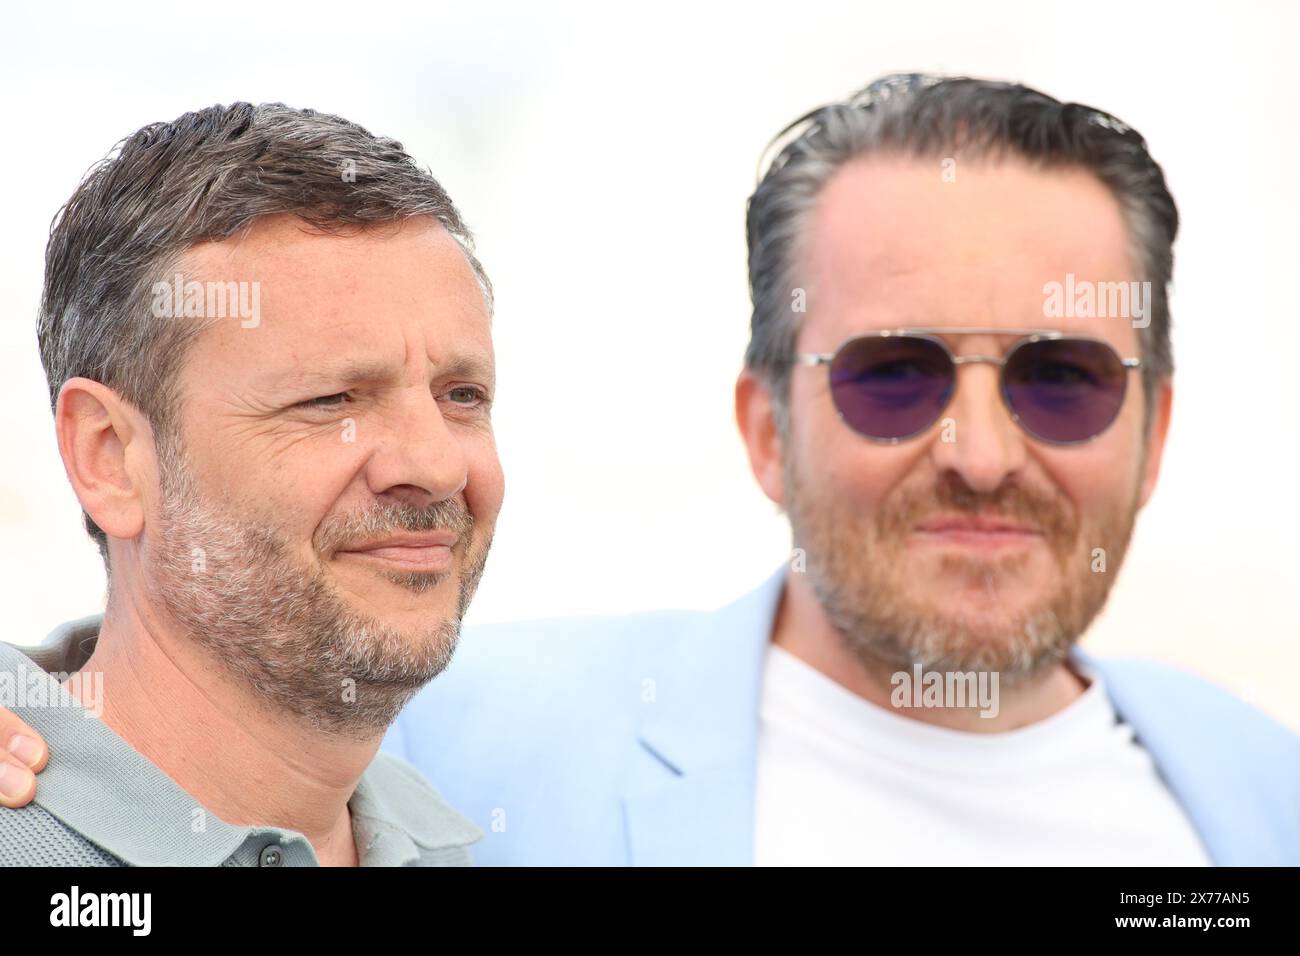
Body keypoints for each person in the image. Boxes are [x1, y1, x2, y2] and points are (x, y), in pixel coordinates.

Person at [5, 76, 1297, 865]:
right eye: (891, 375)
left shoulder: (1264, 796)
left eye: (1061, 379)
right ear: (763, 428)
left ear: (1157, 431)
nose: (975, 452)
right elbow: (190, 687)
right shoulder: (468, 741)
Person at [0, 102, 502, 866]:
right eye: (331, 400)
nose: (436, 466)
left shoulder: (460, 832)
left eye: (461, 395)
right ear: (109, 457)